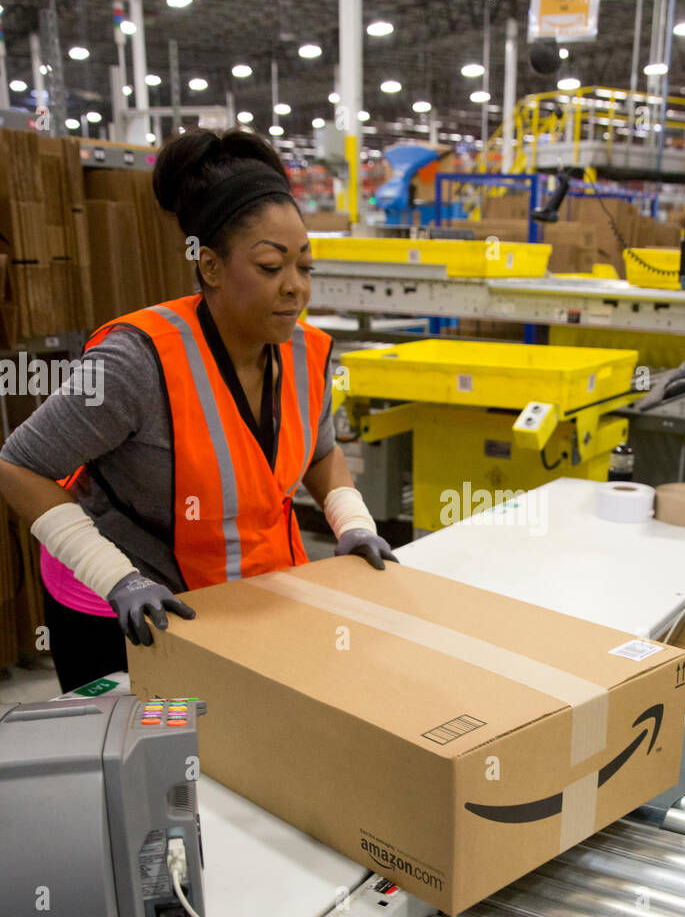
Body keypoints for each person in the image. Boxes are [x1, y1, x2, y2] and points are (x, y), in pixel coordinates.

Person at [0, 128, 395, 693]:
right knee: (136, 760)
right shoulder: (136, 363)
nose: (295, 289)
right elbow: (19, 465)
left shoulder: (305, 353)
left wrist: (353, 524)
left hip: (238, 590)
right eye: (270, 267)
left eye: (304, 267)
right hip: (118, 609)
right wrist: (116, 579)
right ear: (209, 266)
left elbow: (321, 450)